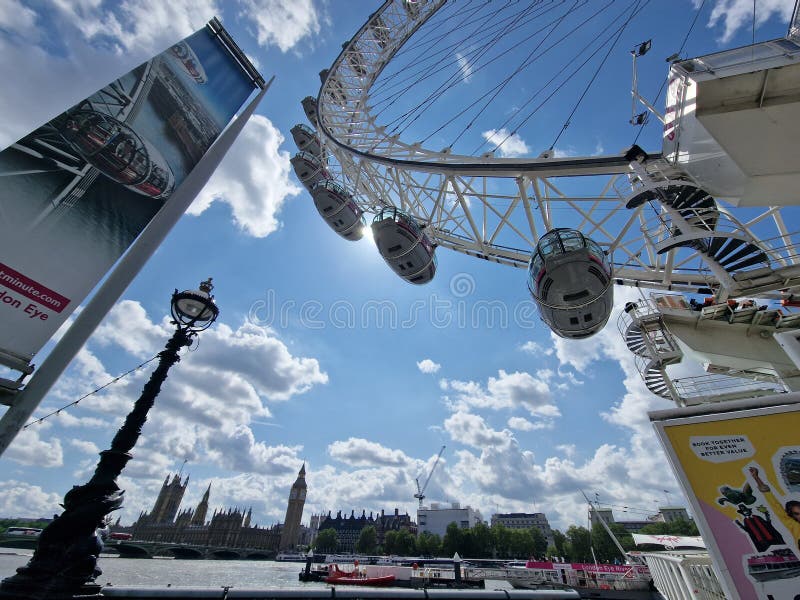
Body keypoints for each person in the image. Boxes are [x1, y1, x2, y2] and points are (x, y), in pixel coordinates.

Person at [750, 466, 800, 550]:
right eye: (797, 514)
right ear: (792, 516)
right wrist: (756, 478)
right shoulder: (794, 525)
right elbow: (775, 504)